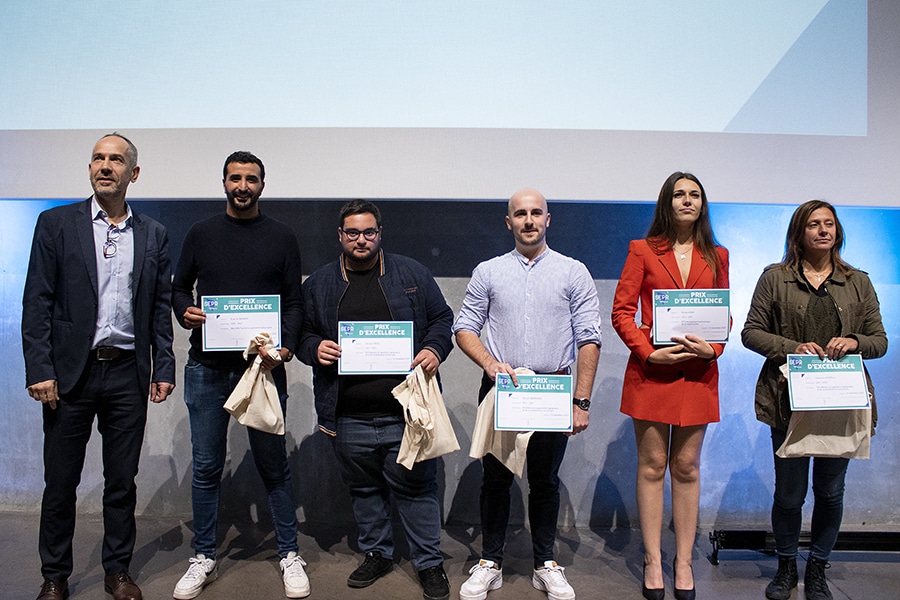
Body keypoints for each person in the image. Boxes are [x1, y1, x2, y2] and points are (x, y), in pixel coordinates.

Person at [22, 133, 176, 600]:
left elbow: (158, 307)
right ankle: (54, 575)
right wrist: (39, 369)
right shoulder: (56, 224)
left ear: (134, 173)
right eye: (98, 158)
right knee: (61, 481)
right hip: (71, 375)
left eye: (116, 160)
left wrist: (163, 366)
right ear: (90, 168)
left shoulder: (153, 233)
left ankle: (118, 570)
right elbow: (38, 304)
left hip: (127, 373)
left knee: (121, 481)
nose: (105, 166)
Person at [298, 199, 454, 600]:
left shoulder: (410, 274)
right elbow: (300, 334)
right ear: (340, 236)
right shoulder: (318, 283)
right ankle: (378, 553)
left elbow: (442, 319)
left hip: (406, 412)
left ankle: (429, 562)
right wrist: (314, 348)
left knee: (417, 488)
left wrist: (435, 350)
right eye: (353, 232)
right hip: (347, 413)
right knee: (364, 490)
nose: (361, 239)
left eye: (369, 232)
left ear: (380, 234)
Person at [170, 151, 308, 599]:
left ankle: (289, 553)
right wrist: (183, 311)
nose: (242, 186)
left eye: (251, 179)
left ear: (262, 186)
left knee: (274, 466)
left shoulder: (283, 237)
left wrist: (286, 348)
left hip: (263, 370)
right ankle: (204, 556)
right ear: (224, 182)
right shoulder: (200, 233)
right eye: (235, 178)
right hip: (207, 369)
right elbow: (177, 288)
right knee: (207, 467)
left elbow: (293, 302)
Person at [454, 188, 601, 600]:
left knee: (546, 482)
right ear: (509, 222)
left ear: (548, 219)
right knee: (496, 480)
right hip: (504, 388)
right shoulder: (489, 271)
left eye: (537, 212)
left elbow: (590, 338)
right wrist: (489, 363)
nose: (529, 220)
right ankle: (491, 562)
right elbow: (464, 327)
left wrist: (581, 401)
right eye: (521, 214)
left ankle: (544, 564)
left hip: (553, 389)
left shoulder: (573, 272)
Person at [742, 200, 887, 600]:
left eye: (829, 224)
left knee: (830, 492)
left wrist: (855, 341)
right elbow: (751, 332)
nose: (823, 230)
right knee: (789, 494)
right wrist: (792, 347)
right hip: (788, 402)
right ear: (799, 233)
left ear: (837, 231)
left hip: (840, 402)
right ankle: (786, 567)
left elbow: (880, 340)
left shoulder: (858, 280)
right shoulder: (775, 278)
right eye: (814, 224)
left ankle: (819, 568)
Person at [611, 172, 729, 600]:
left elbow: (724, 314)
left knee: (687, 467)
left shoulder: (718, 254)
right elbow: (622, 312)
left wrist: (713, 347)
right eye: (679, 194)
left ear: (702, 204)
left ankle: (683, 560)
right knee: (652, 465)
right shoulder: (641, 251)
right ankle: (652, 559)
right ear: (667, 201)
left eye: (695, 194)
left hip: (699, 373)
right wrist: (648, 353)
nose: (687, 201)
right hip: (652, 372)